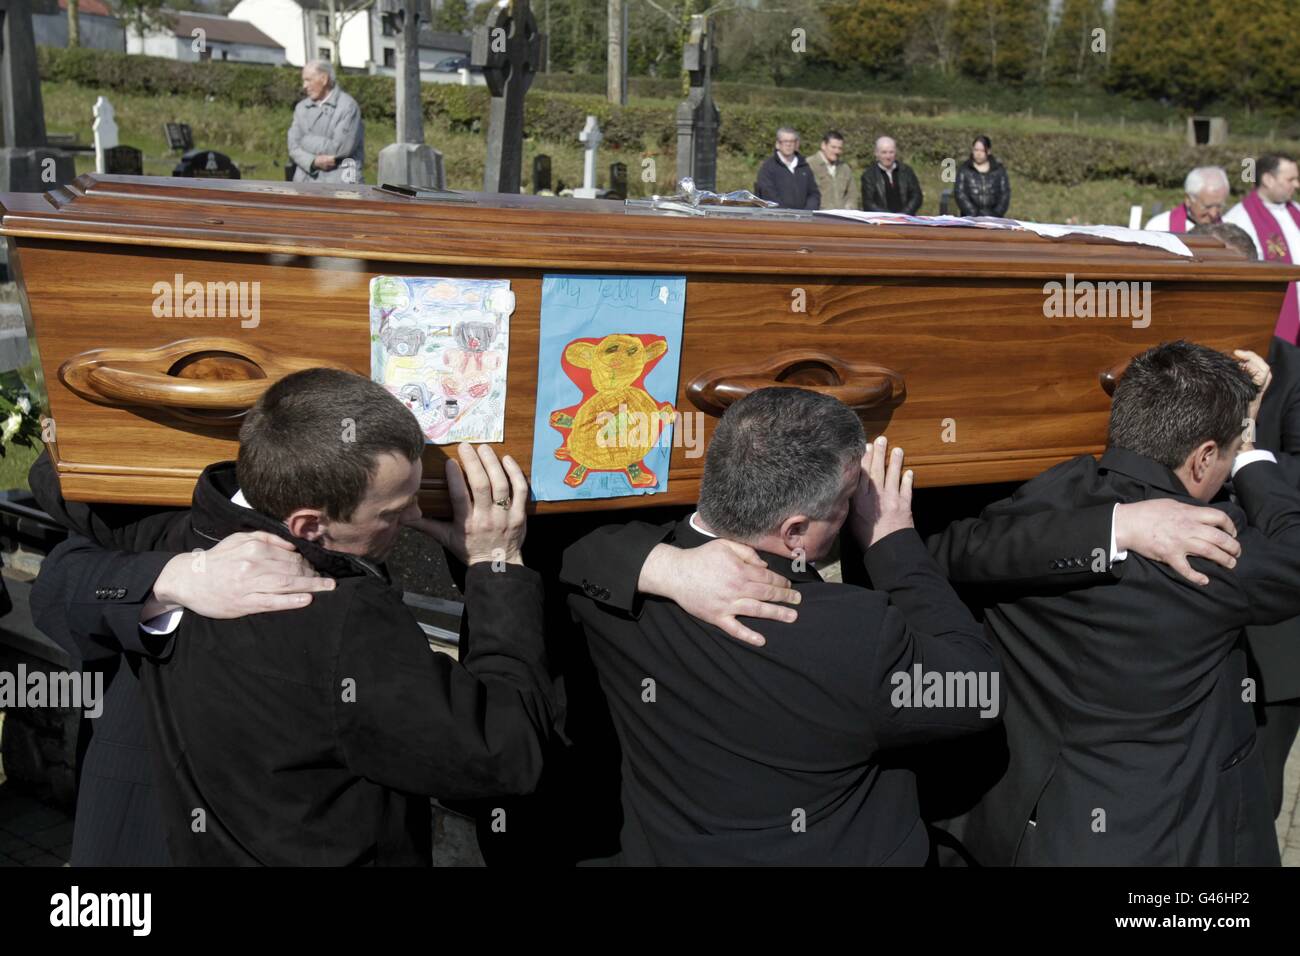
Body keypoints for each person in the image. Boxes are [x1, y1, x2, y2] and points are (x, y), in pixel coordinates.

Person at [29, 369, 555, 865]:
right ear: (307, 526)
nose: (415, 517)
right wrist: (495, 566)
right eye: (393, 512)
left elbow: (57, 480)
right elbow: (505, 751)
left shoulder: (181, 531)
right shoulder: (339, 617)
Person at [560, 387, 997, 864]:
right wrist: (893, 541)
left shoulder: (613, 591)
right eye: (848, 502)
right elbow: (976, 691)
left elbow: (576, 551)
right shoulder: (857, 634)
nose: (852, 510)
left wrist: (667, 568)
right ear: (794, 533)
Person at [936, 341, 1300, 865]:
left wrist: (1111, 528)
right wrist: (1249, 451)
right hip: (1156, 839)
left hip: (1029, 829)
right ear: (1202, 459)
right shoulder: (1213, 546)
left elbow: (946, 553)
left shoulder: (1041, 500)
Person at [1224, 154, 1300, 344]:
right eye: (1290, 179)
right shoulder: (1238, 219)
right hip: (1273, 320)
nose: (1297, 185)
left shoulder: (1297, 211)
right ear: (1268, 179)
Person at [287, 60, 365, 184]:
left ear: (324, 79)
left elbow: (340, 149)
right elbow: (292, 147)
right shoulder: (301, 107)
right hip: (304, 184)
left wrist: (305, 140)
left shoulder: (348, 107)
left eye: (308, 80)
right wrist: (312, 162)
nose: (304, 85)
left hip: (340, 187)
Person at [753, 127, 821, 210]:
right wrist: (787, 214)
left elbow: (813, 193)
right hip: (778, 218)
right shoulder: (768, 167)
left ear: (797, 144)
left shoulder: (804, 166)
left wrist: (807, 212)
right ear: (777, 144)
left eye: (792, 141)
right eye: (785, 141)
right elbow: (768, 195)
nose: (788, 144)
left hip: (804, 219)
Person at [1145, 166, 1230, 232]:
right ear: (1188, 200)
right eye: (1207, 207)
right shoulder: (1159, 227)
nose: (1213, 214)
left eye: (1219, 206)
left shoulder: (1230, 228)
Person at [860, 136, 922, 215]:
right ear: (876, 153)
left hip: (906, 219)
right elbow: (868, 203)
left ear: (895, 152)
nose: (888, 156)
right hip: (881, 222)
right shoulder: (868, 176)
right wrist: (889, 217)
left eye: (891, 152)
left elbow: (916, 196)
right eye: (884, 152)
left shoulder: (906, 171)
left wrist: (904, 214)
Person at [954, 136, 1010, 218]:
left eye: (982, 150)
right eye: (976, 150)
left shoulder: (998, 170)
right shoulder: (964, 169)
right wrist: (974, 213)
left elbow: (1005, 194)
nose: (978, 153)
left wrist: (995, 214)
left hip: (995, 219)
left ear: (988, 151)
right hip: (970, 219)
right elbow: (960, 193)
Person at [806, 130, 858, 211]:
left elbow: (852, 194)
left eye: (840, 148)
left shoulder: (845, 168)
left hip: (842, 218)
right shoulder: (809, 165)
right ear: (823, 145)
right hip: (819, 217)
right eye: (833, 147)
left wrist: (850, 208)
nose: (837, 151)